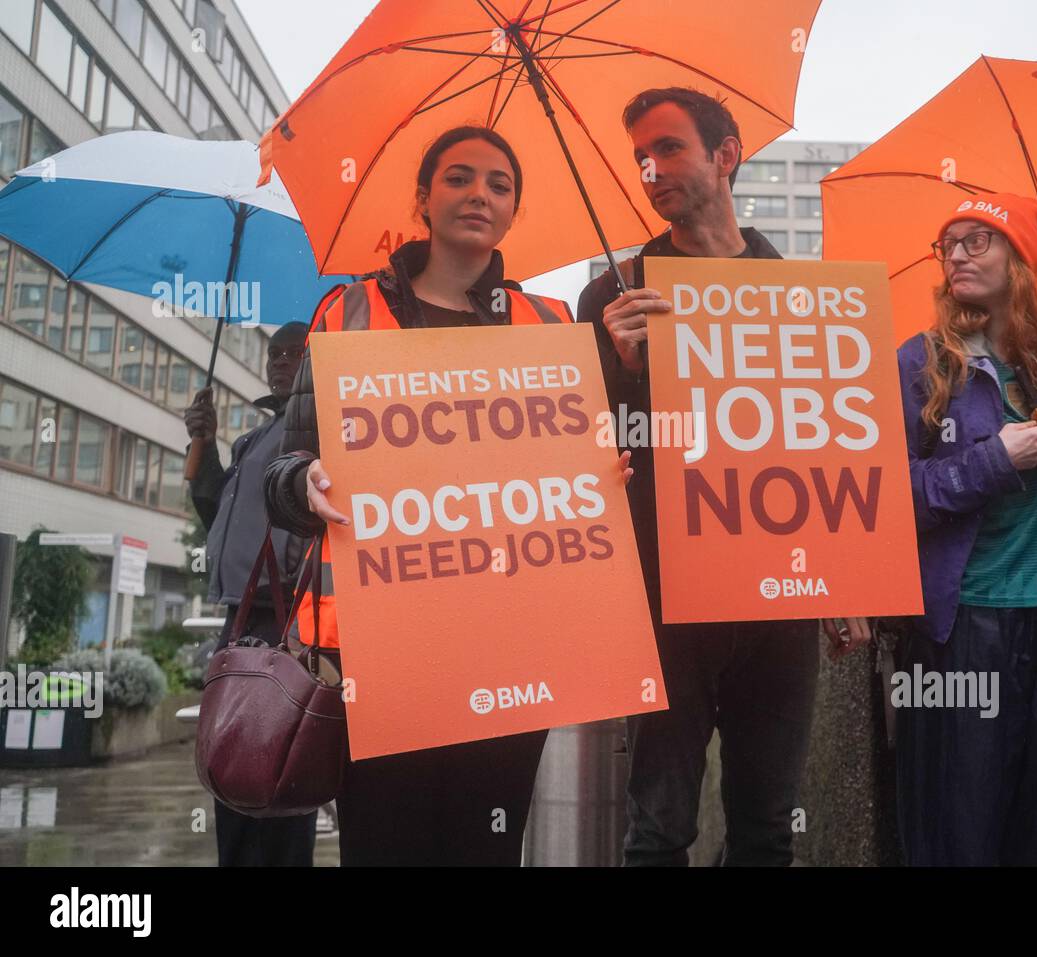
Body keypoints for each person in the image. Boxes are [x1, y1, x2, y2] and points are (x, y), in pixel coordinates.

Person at [263, 125, 629, 866]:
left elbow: (573, 477)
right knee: (384, 849)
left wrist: (599, 482)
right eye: (459, 178)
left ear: (514, 211)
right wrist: (305, 482)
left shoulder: (550, 324)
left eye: (499, 184)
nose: (478, 195)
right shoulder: (350, 312)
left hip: (511, 650)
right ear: (423, 199)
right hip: (381, 654)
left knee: (484, 850)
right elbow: (285, 473)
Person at [578, 88, 840, 867]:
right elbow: (578, 460)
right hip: (665, 600)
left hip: (778, 601)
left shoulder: (797, 292)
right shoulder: (611, 297)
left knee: (767, 829)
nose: (650, 169)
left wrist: (845, 582)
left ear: (726, 155)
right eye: (640, 158)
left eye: (668, 148)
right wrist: (625, 376)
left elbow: (826, 445)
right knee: (659, 830)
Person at [894, 192, 1037, 865]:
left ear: (1019, 259)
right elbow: (889, 493)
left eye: (976, 240)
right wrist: (995, 460)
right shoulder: (919, 361)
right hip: (968, 625)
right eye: (948, 243)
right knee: (966, 825)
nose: (956, 254)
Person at [185, 322, 315, 867]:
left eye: (294, 353)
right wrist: (204, 441)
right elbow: (218, 513)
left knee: (275, 772)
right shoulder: (253, 439)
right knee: (232, 763)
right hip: (238, 623)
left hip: (282, 622)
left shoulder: (313, 430)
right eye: (273, 353)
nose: (280, 361)